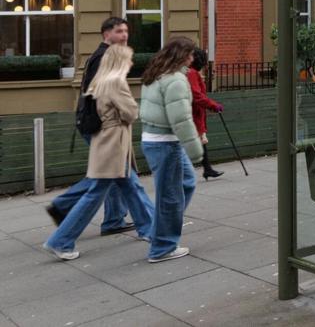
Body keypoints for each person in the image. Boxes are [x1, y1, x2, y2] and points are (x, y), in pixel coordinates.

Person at [43, 45, 154, 260]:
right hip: (114, 144)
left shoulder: (99, 81)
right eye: (128, 59)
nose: (131, 64)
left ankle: (151, 230)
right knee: (96, 194)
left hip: (107, 142)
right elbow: (131, 112)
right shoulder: (115, 82)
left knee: (133, 187)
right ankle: (61, 240)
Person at [139, 37, 204, 263]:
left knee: (186, 183)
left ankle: (159, 231)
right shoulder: (176, 79)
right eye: (190, 53)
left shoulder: (155, 73)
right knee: (170, 197)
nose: (193, 58)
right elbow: (181, 120)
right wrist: (196, 150)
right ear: (182, 55)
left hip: (154, 140)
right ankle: (162, 247)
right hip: (166, 143)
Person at [188, 48, 224, 180]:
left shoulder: (192, 73)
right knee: (195, 140)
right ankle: (202, 169)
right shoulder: (192, 73)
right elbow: (197, 95)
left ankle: (207, 169)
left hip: (197, 111)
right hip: (194, 112)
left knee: (201, 141)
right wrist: (213, 105)